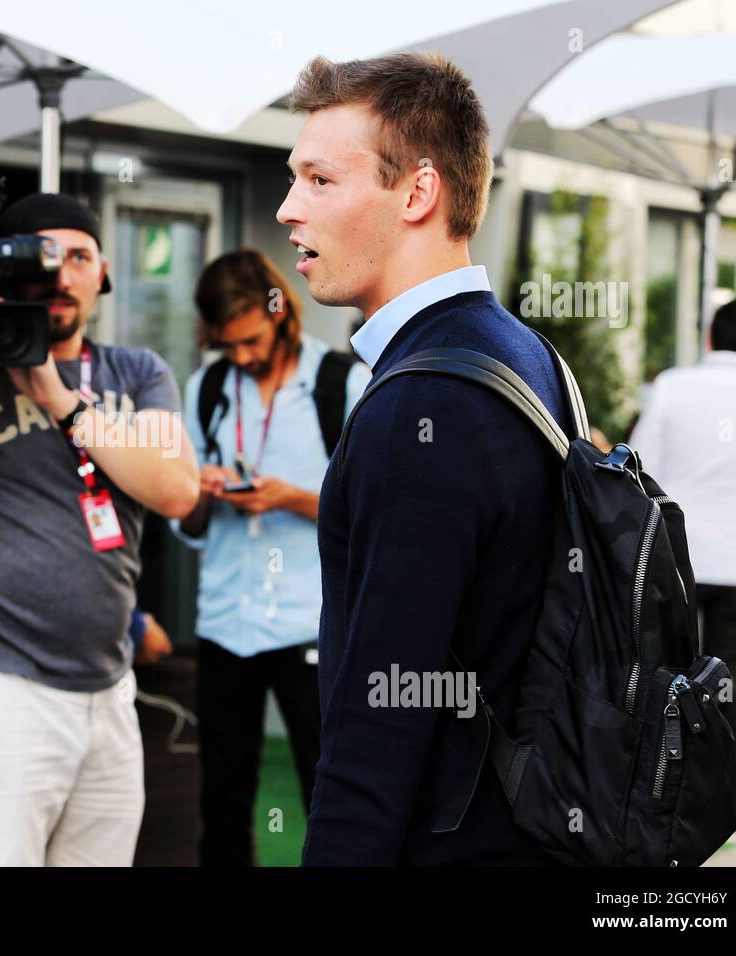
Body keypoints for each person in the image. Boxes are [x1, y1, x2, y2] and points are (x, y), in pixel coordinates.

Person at [278, 52, 565, 865]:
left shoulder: (421, 402)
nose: (287, 208)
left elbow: (378, 720)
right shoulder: (527, 354)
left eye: (320, 180)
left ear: (417, 192)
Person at [0, 192, 200, 866]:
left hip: (109, 691)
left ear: (103, 274)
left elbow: (177, 490)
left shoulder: (136, 372)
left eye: (80, 256)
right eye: (43, 259)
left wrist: (60, 399)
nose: (61, 275)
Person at [173, 249, 365, 866]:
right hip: (227, 620)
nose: (244, 357)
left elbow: (371, 514)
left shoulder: (342, 384)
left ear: (282, 315)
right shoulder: (205, 388)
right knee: (222, 801)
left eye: (252, 340)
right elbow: (189, 523)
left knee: (328, 790)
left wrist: (293, 499)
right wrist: (197, 493)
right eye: (229, 346)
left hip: (312, 624)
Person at [631, 298, 736, 719]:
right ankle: (726, 776)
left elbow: (640, 468)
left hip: (677, 559)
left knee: (669, 677)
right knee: (730, 685)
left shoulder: (672, 386)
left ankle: (668, 776)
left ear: (710, 338)